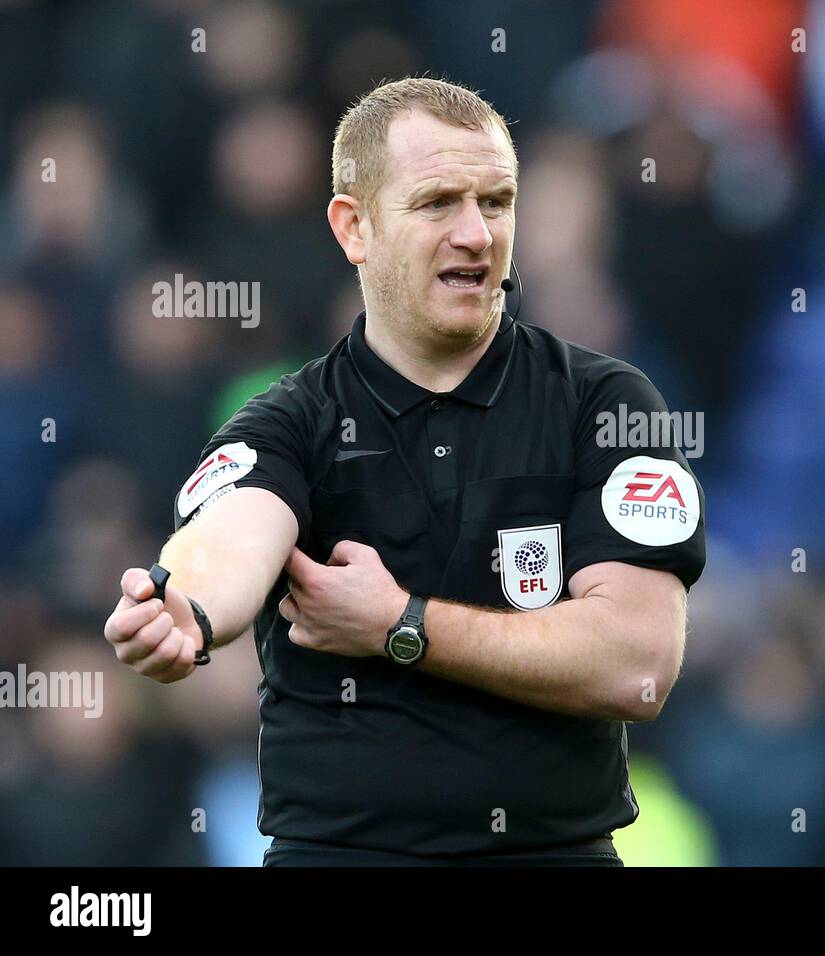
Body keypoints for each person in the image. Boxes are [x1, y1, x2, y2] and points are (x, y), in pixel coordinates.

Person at [102, 77, 706, 866]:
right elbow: (231, 535)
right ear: (355, 227)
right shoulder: (291, 420)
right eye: (437, 203)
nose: (476, 234)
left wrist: (401, 625)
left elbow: (637, 667)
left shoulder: (604, 404)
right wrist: (181, 606)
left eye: (497, 201)